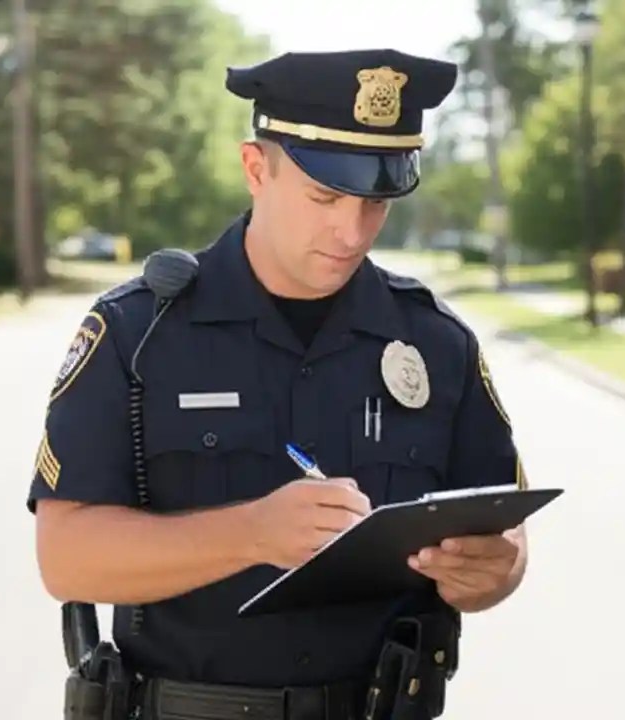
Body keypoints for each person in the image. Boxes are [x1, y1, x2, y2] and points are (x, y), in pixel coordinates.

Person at [27, 48, 531, 720]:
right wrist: (253, 534)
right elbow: (67, 558)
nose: (350, 232)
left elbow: (506, 530)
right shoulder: (138, 334)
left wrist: (492, 573)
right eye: (324, 196)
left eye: (374, 202)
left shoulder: (437, 344)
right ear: (255, 169)